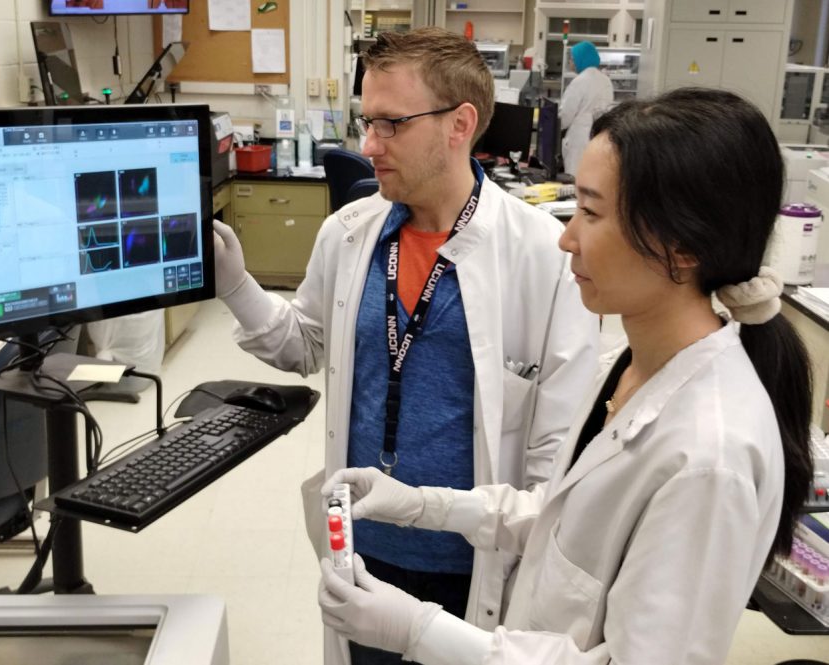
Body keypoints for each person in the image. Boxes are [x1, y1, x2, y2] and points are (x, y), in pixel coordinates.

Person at [317, 87, 815, 665]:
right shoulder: (628, 368)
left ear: (681, 248)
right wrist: (422, 504)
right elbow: (564, 523)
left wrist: (420, 631)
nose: (566, 237)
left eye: (592, 213)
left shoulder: (709, 457)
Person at [212, 27, 599, 664]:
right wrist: (236, 286)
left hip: (476, 565)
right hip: (364, 549)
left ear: (459, 124)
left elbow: (553, 455)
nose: (369, 145)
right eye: (367, 122)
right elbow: (304, 346)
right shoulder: (349, 232)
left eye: (391, 124)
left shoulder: (543, 255)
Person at [559, 41, 614, 177]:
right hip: (600, 138)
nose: (570, 62)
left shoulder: (579, 81)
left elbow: (565, 117)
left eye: (572, 59)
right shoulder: (606, 80)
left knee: (574, 179)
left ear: (581, 59)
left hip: (579, 140)